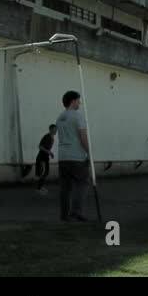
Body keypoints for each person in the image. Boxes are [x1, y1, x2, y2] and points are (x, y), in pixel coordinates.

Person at [56, 91, 90, 222]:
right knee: (81, 183)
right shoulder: (78, 116)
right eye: (78, 100)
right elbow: (83, 136)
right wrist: (89, 151)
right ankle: (76, 212)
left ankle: (64, 215)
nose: (79, 103)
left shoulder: (60, 117)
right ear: (73, 101)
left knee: (65, 187)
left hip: (63, 157)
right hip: (77, 156)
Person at [35, 124, 57, 195]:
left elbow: (47, 148)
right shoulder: (47, 137)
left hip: (45, 157)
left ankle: (40, 187)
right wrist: (49, 152)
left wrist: (50, 153)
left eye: (56, 129)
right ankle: (39, 188)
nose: (55, 130)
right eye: (54, 129)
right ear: (50, 129)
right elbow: (40, 147)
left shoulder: (52, 137)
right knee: (43, 173)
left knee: (46, 172)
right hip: (42, 157)